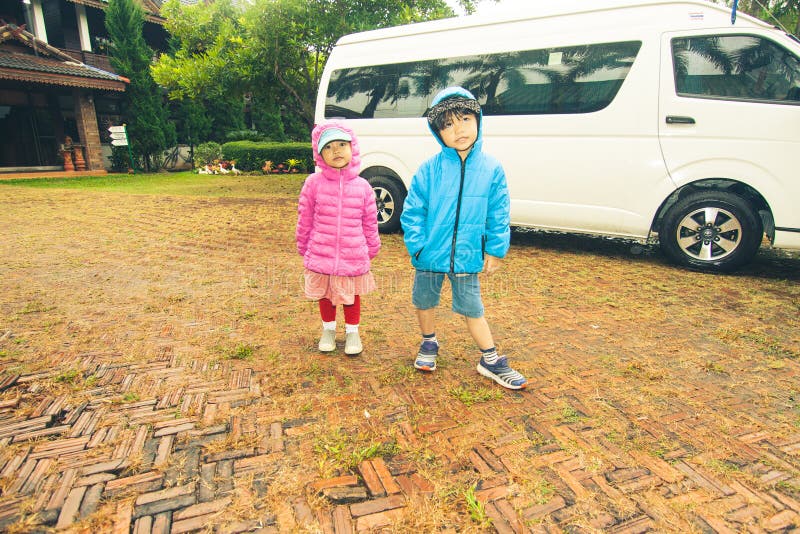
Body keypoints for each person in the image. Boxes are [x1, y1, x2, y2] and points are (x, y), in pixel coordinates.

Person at [400, 87, 527, 390]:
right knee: (424, 300)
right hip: (429, 254)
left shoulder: (491, 168)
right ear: (437, 132)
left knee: (473, 307)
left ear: (478, 120)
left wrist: (495, 250)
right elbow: (413, 210)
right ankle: (429, 342)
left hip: (468, 253)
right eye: (448, 124)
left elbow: (498, 212)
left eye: (465, 119)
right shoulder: (429, 170)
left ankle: (490, 358)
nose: (459, 130)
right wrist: (417, 246)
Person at [296, 122, 381, 355]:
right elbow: (305, 217)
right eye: (328, 147)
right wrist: (303, 245)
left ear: (352, 148)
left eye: (342, 144)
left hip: (352, 252)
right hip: (321, 250)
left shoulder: (363, 187)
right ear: (319, 154)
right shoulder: (313, 184)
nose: (336, 151)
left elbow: (370, 221)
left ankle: (353, 332)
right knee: (325, 294)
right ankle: (328, 330)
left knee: (351, 295)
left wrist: (372, 247)